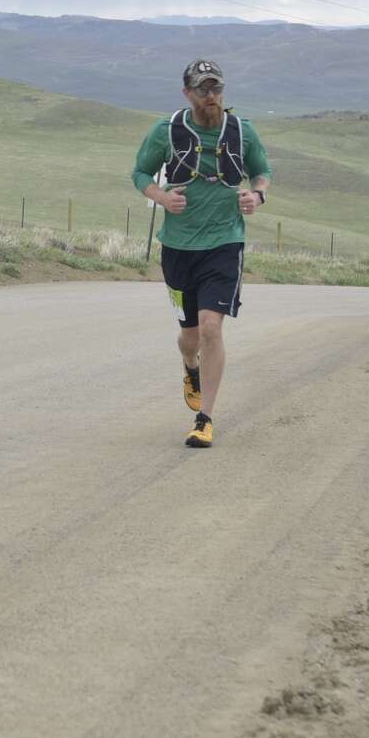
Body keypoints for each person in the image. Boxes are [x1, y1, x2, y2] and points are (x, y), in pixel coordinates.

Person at [132, 58, 272, 448]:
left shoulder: (242, 131)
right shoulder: (167, 131)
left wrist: (256, 195)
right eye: (202, 90)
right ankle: (189, 367)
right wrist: (161, 197)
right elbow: (139, 173)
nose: (211, 96)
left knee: (212, 327)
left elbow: (263, 172)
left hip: (225, 243)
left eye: (216, 89)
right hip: (178, 248)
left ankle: (205, 418)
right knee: (189, 337)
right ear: (187, 93)